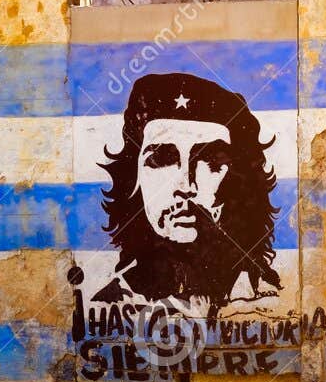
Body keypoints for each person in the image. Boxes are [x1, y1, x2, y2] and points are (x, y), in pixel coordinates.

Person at [94, 71, 281, 313]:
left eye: (211, 162)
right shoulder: (111, 304)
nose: (186, 186)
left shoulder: (261, 299)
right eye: (162, 160)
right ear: (133, 180)